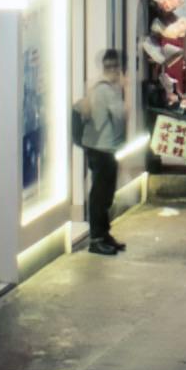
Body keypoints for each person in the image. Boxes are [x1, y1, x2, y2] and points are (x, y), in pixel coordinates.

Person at [76, 78, 128, 257]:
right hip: (99, 148)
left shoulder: (108, 89)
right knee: (100, 194)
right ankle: (96, 239)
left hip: (106, 148)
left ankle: (104, 235)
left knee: (106, 194)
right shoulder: (102, 90)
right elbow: (118, 115)